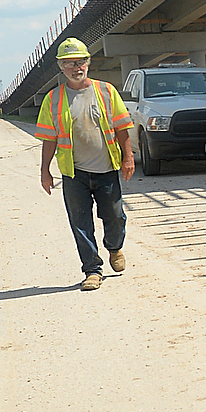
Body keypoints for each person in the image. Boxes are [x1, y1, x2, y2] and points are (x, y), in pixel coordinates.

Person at [36, 38, 134, 291]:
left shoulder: (106, 91)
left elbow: (122, 126)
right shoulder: (53, 99)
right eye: (69, 63)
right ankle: (92, 270)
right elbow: (49, 138)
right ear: (61, 67)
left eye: (80, 61)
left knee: (114, 216)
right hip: (74, 173)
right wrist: (45, 170)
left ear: (88, 63)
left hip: (106, 169)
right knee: (80, 223)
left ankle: (114, 247)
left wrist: (128, 156)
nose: (75, 67)